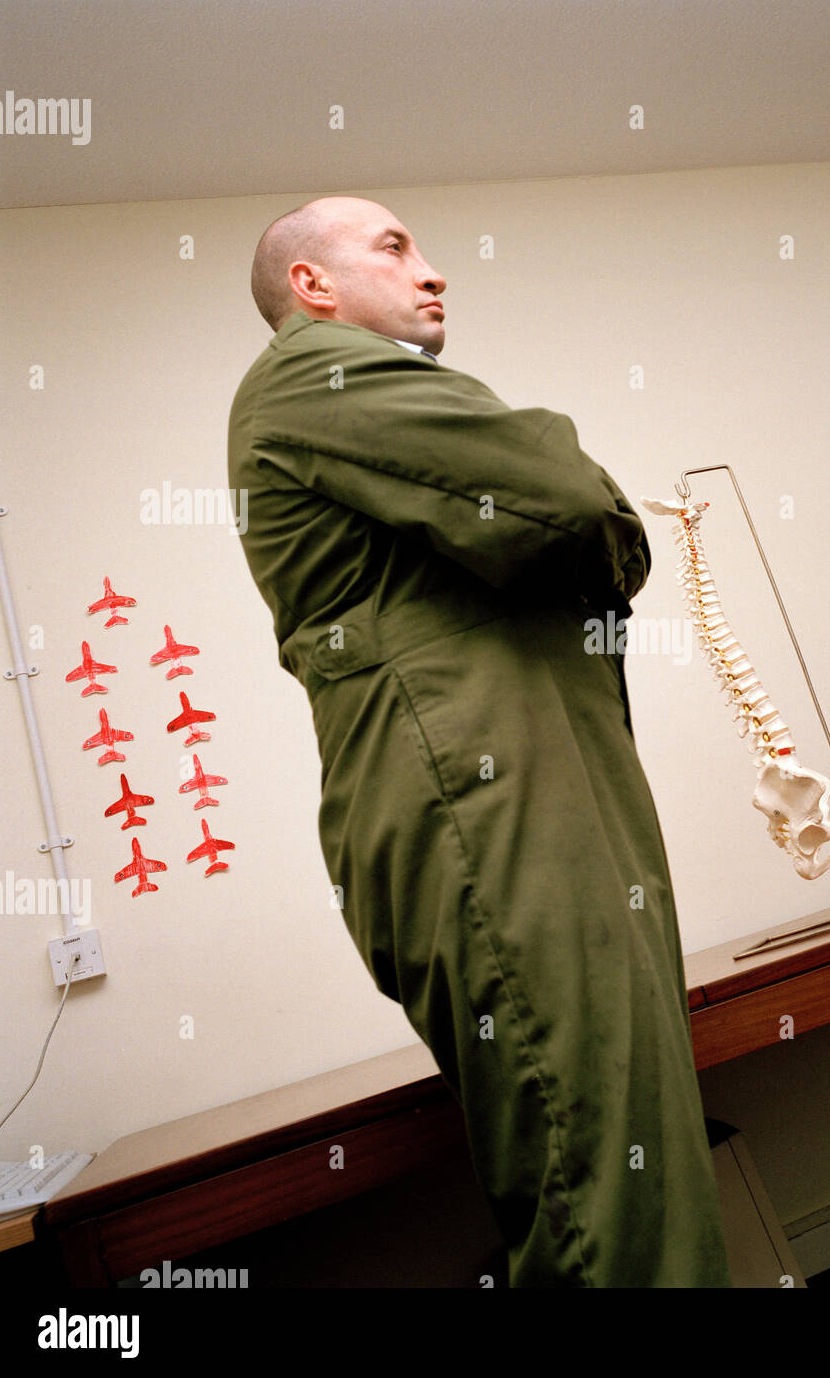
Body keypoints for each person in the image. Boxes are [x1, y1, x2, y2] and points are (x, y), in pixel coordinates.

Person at [228, 195, 732, 1286]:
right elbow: (560, 493)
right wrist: (591, 505)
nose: (433, 270)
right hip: (481, 799)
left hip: (522, 788)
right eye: (395, 247)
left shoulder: (350, 397)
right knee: (605, 1174)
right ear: (311, 286)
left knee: (624, 1143)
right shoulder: (310, 372)